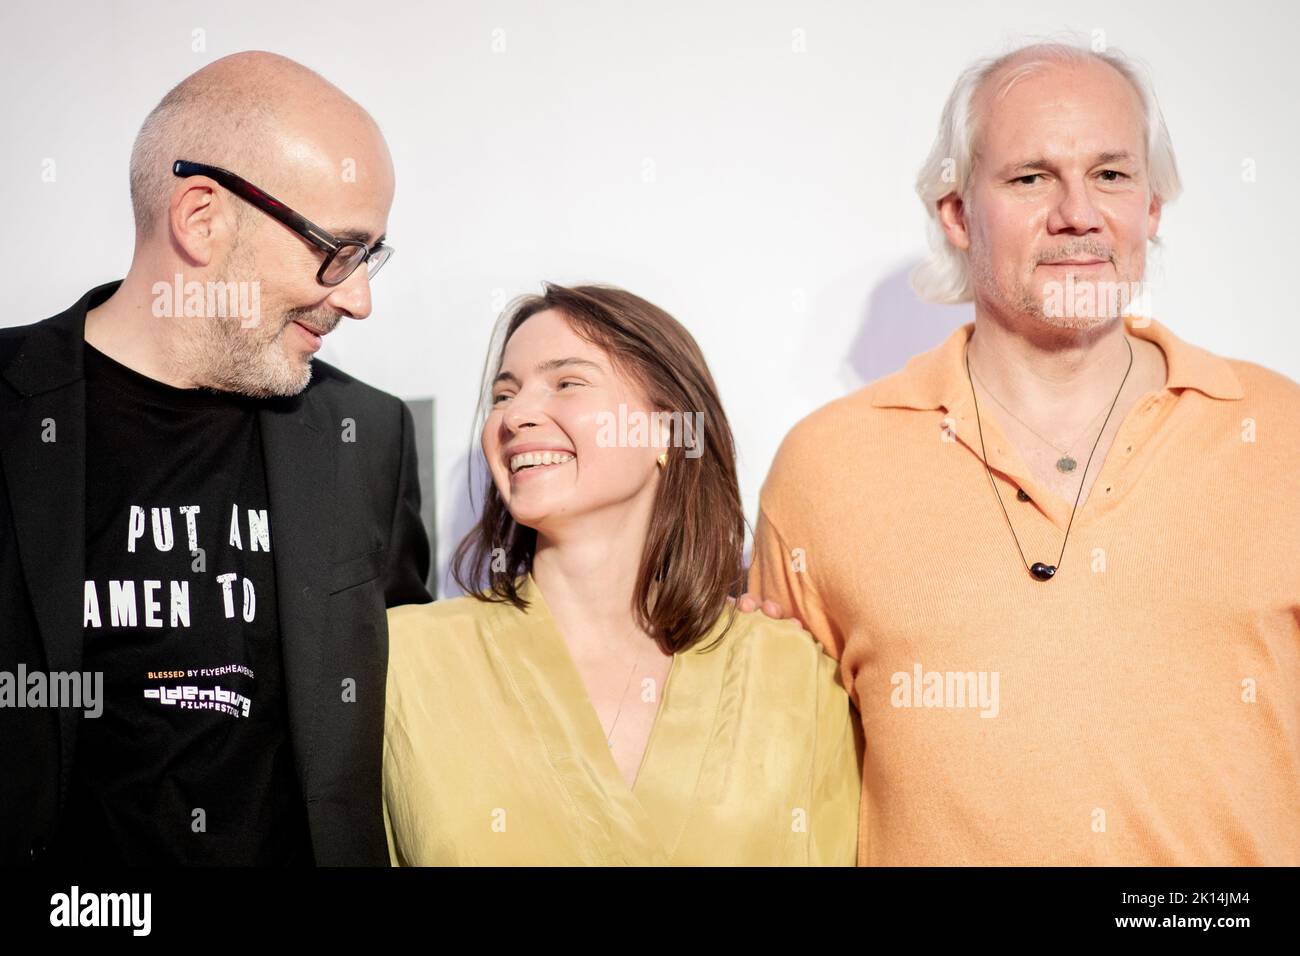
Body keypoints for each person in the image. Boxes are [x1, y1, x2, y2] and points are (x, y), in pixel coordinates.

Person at [747, 41, 1300, 865]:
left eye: (1111, 175)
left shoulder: (1279, 432)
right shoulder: (826, 466)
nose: (1078, 212)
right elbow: (772, 789)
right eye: (1030, 177)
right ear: (958, 213)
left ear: (1152, 206)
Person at [0, 51, 432, 867]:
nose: (358, 298)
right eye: (338, 251)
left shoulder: (366, 437)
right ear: (202, 218)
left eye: (370, 258)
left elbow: (418, 684)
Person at [382, 284, 861, 865]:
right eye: (503, 395)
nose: (516, 417)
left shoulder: (793, 674)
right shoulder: (405, 660)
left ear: (665, 429)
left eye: (567, 382)